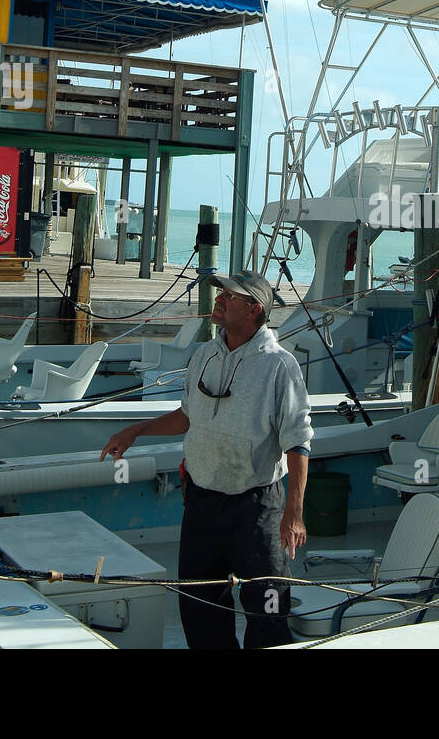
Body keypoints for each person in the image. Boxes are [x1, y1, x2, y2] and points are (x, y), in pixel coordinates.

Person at [101, 269, 313, 648]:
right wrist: (136, 430)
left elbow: (298, 442)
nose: (219, 299)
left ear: (254, 309)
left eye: (229, 295)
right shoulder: (204, 355)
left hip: (255, 507)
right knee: (199, 607)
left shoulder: (280, 366)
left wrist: (293, 513)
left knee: (266, 609)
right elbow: (187, 417)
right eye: (221, 293)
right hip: (201, 503)